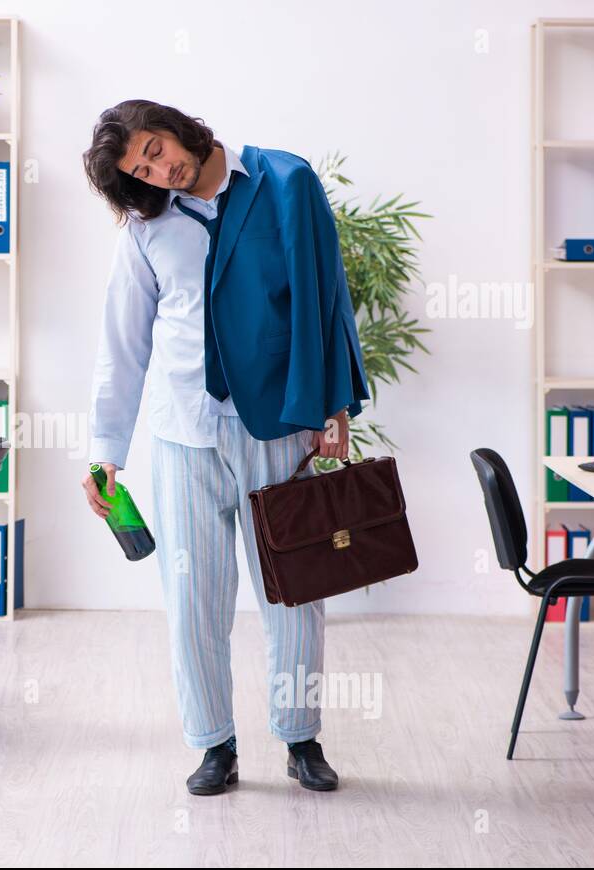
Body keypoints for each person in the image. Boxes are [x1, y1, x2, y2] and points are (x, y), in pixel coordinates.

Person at [81, 100, 370, 795]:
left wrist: (334, 407)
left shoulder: (283, 183)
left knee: (295, 591)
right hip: (183, 433)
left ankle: (300, 737)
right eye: (141, 167)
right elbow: (123, 344)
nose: (160, 167)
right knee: (192, 597)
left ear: (174, 125)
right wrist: (103, 451)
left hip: (276, 425)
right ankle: (215, 744)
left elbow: (325, 296)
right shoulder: (147, 228)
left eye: (155, 146)